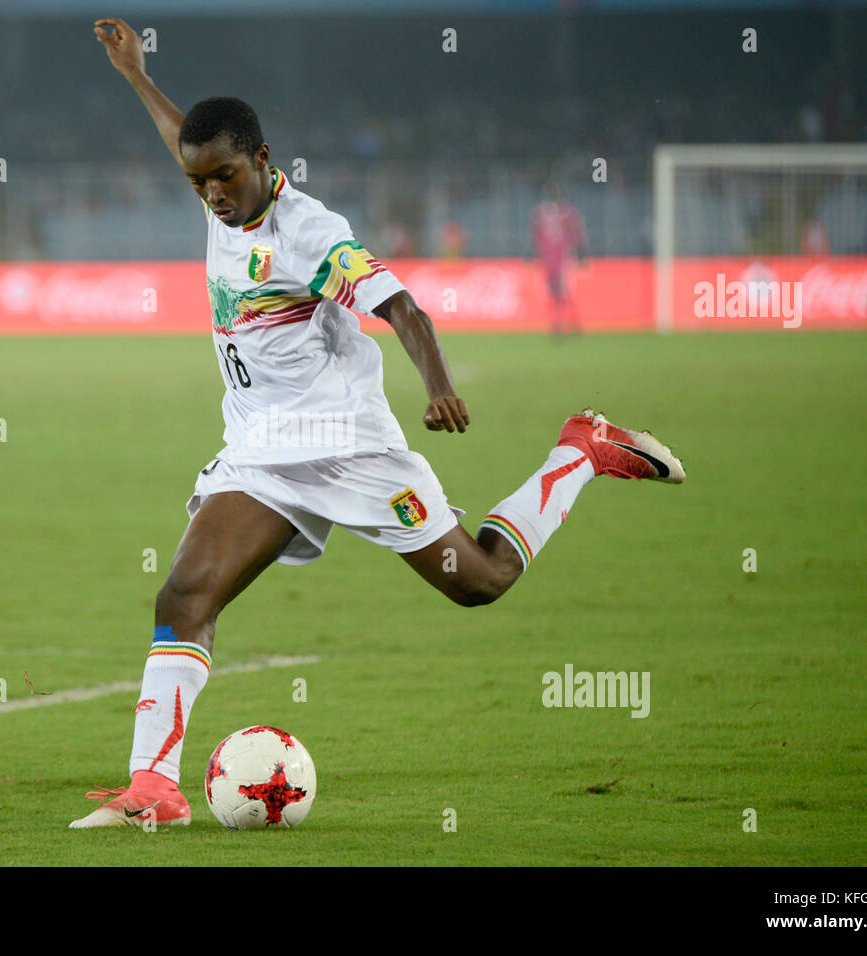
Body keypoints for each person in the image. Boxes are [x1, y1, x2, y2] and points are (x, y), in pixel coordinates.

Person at [75, 18, 685, 829]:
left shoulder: (311, 234)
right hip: (260, 454)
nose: (212, 195)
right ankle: (154, 787)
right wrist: (135, 75)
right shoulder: (222, 198)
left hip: (350, 450)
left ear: (262, 161)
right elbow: (181, 140)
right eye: (198, 185)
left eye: (223, 177)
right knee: (184, 595)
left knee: (481, 582)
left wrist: (438, 387)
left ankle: (580, 451)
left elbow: (402, 307)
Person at [530, 180, 587, 337]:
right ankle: (557, 323)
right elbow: (535, 235)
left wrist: (581, 253)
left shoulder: (567, 212)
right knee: (553, 292)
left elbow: (577, 233)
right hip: (548, 260)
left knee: (563, 291)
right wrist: (535, 254)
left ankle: (571, 321)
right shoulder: (542, 213)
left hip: (563, 258)